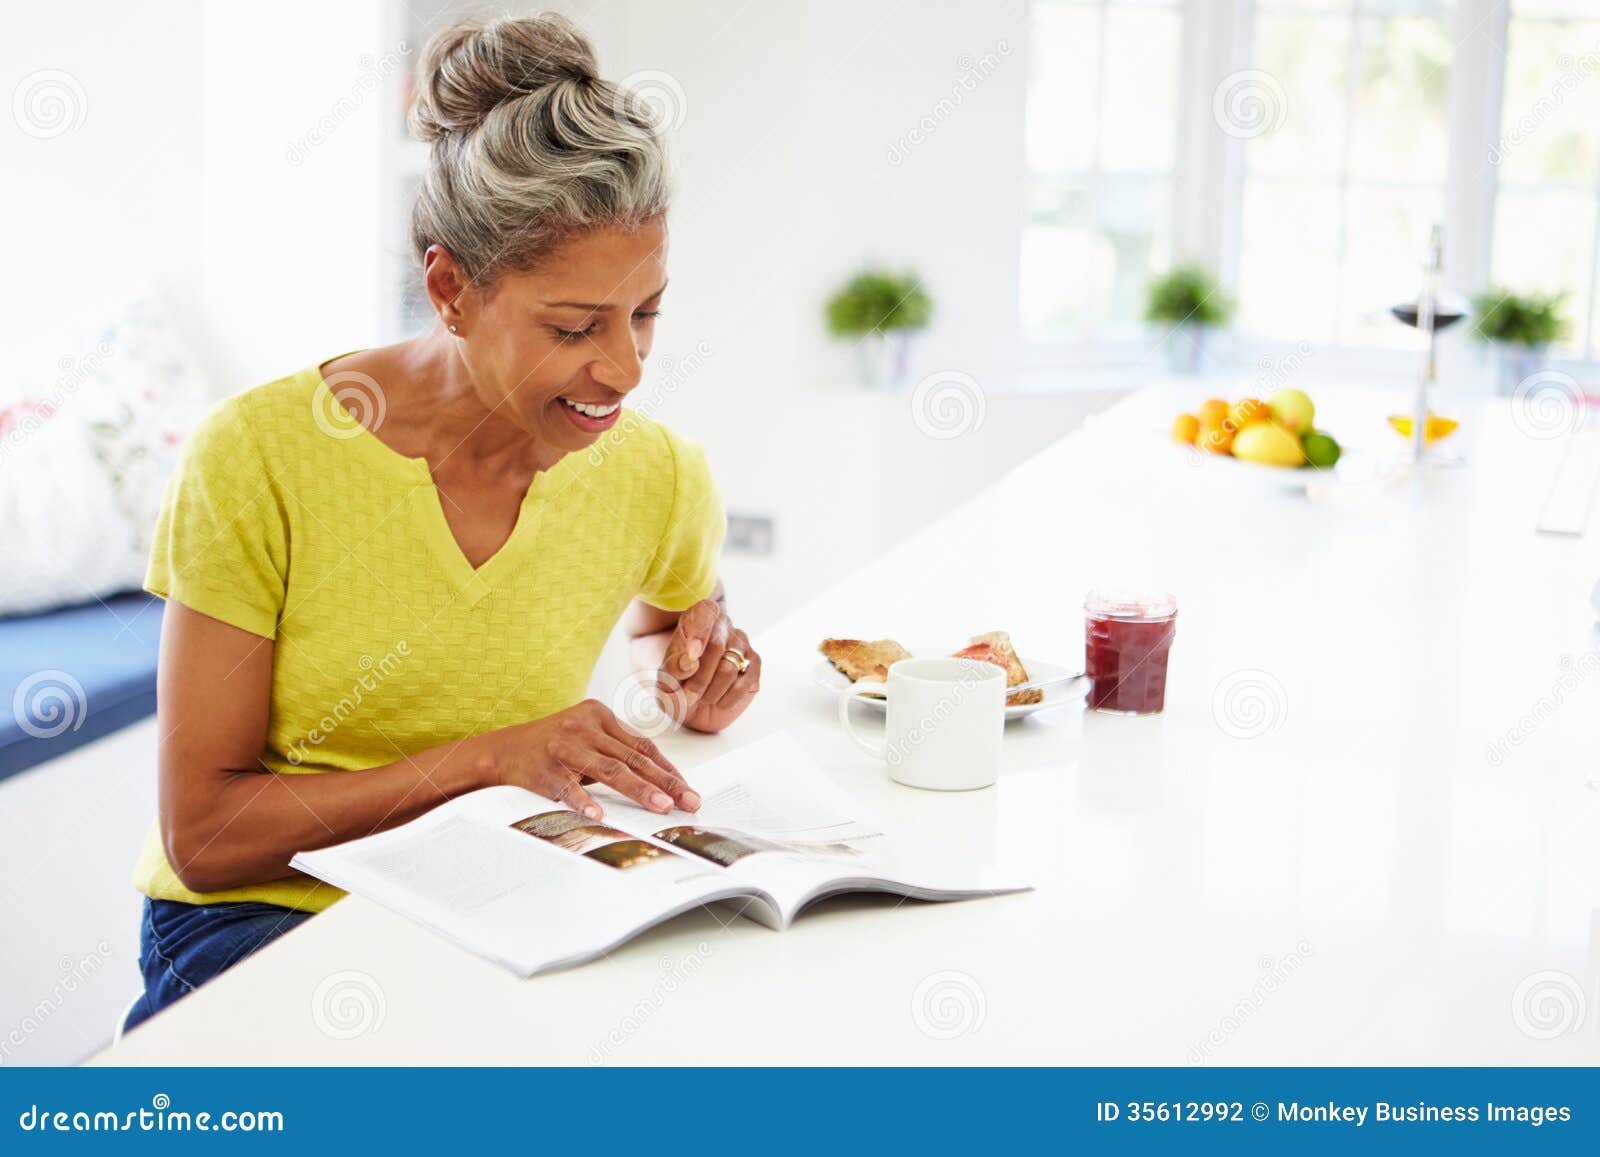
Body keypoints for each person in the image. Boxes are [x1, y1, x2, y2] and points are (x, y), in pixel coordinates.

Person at [122, 12, 760, 1032]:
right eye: (572, 326)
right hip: (268, 917)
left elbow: (667, 633)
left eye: (644, 312)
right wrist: (485, 758)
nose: (626, 369)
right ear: (450, 288)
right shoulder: (259, 455)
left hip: (502, 892)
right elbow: (205, 831)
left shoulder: (656, 471)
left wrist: (695, 683)